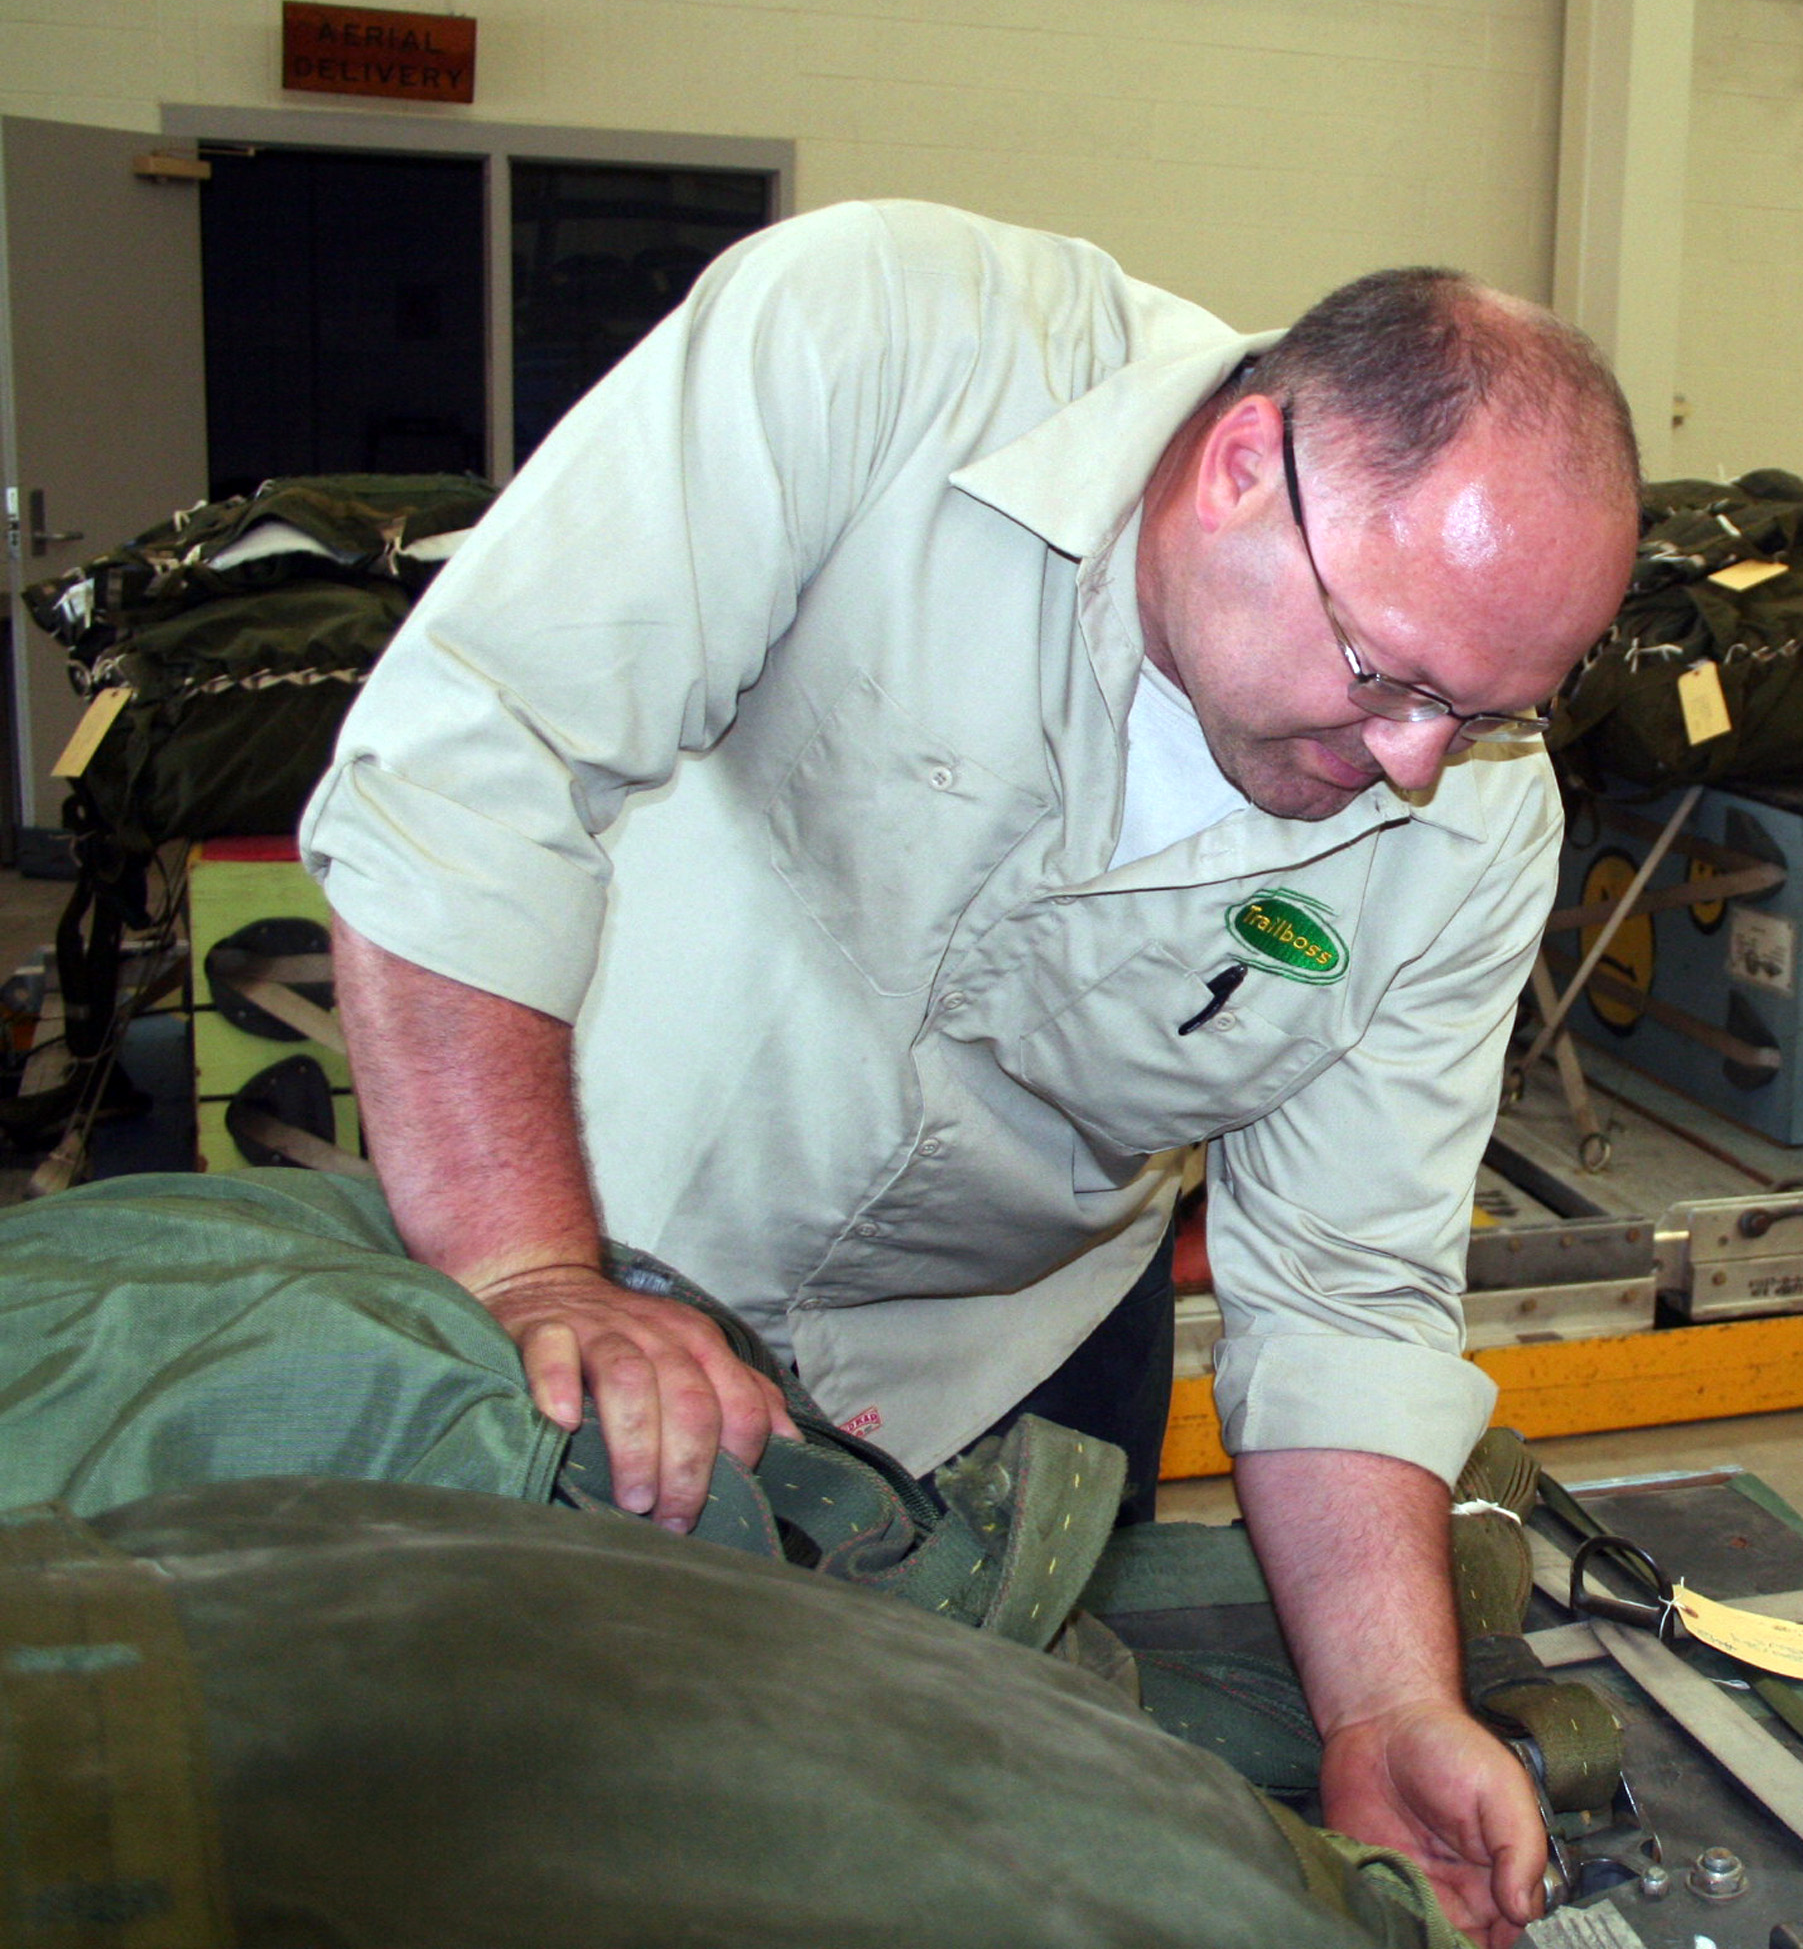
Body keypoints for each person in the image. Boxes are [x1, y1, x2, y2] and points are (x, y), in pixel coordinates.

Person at [298, 199, 1640, 1942]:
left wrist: (1383, 1713)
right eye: (1387, 678)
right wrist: (532, 1263)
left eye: (1486, 712)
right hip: (569, 1247)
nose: (1410, 766)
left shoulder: (1467, 822)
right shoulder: (882, 351)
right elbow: (478, 761)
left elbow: (1346, 1291)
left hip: (1000, 1368)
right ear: (1243, 464)